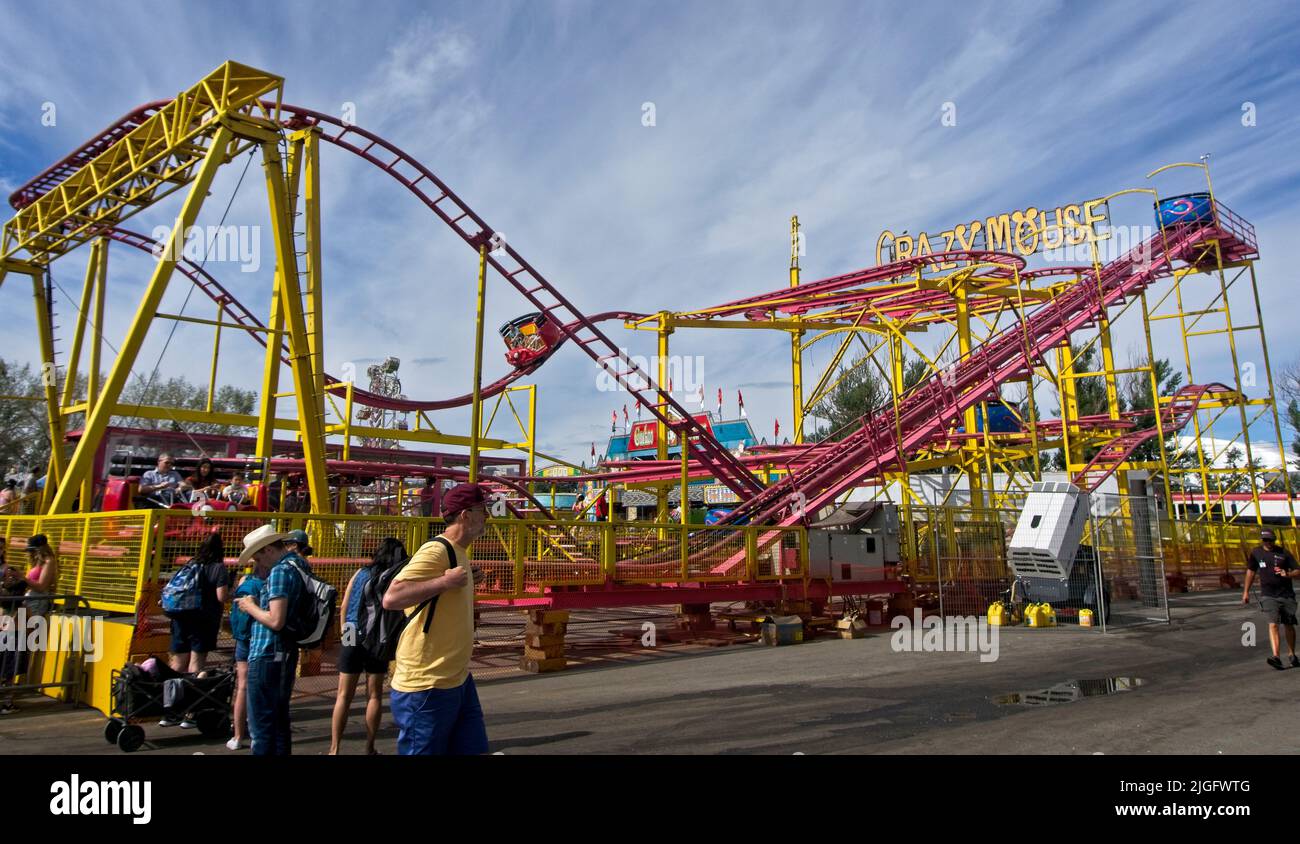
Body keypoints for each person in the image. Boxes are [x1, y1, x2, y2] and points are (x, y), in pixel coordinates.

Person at [383, 483, 489, 755]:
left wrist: (460, 580)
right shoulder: (437, 550)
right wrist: (444, 581)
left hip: (457, 678)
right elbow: (392, 597)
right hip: (427, 683)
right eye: (482, 509)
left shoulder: (460, 552)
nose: (487, 515)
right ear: (466, 514)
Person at [234, 524, 310, 756]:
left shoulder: (279, 571)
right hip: (285, 651)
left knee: (262, 727)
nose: (257, 563)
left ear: (267, 550)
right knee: (278, 721)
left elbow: (276, 619)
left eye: (258, 556)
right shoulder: (300, 566)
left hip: (267, 651)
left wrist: (250, 606)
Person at [330, 537, 406, 755]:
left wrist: (345, 631)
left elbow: (344, 605)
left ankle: (334, 748)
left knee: (343, 695)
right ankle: (369, 746)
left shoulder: (361, 572)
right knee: (374, 695)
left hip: (352, 633)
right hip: (377, 637)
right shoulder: (393, 577)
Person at [162, 532, 230, 690]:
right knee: (196, 665)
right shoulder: (218, 568)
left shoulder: (191, 563)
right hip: (203, 621)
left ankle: (168, 700)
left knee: (177, 663)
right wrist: (232, 593)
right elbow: (221, 596)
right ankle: (190, 704)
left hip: (180, 618)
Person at [1242, 527, 1299, 670]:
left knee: (1288, 624)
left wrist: (1288, 574)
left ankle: (1292, 654)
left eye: (1270, 540)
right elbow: (1250, 572)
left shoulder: (1284, 553)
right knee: (1273, 624)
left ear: (1274, 540)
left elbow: (1298, 571)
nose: (1267, 542)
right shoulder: (1256, 553)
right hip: (1268, 595)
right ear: (1262, 540)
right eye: (1265, 540)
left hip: (1286, 595)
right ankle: (1276, 656)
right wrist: (1246, 592)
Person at [226, 558, 266, 750]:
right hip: (259, 639)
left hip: (242, 638)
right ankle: (258, 733)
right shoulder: (267, 584)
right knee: (260, 687)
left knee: (242, 686)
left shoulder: (244, 581)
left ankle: (237, 735)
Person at [21, 534, 57, 617]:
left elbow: (41, 587)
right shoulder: (37, 562)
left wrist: (22, 577)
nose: (31, 553)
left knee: (30, 627)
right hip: (29, 597)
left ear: (40, 549)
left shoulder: (49, 561)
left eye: (32, 550)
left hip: (38, 600)